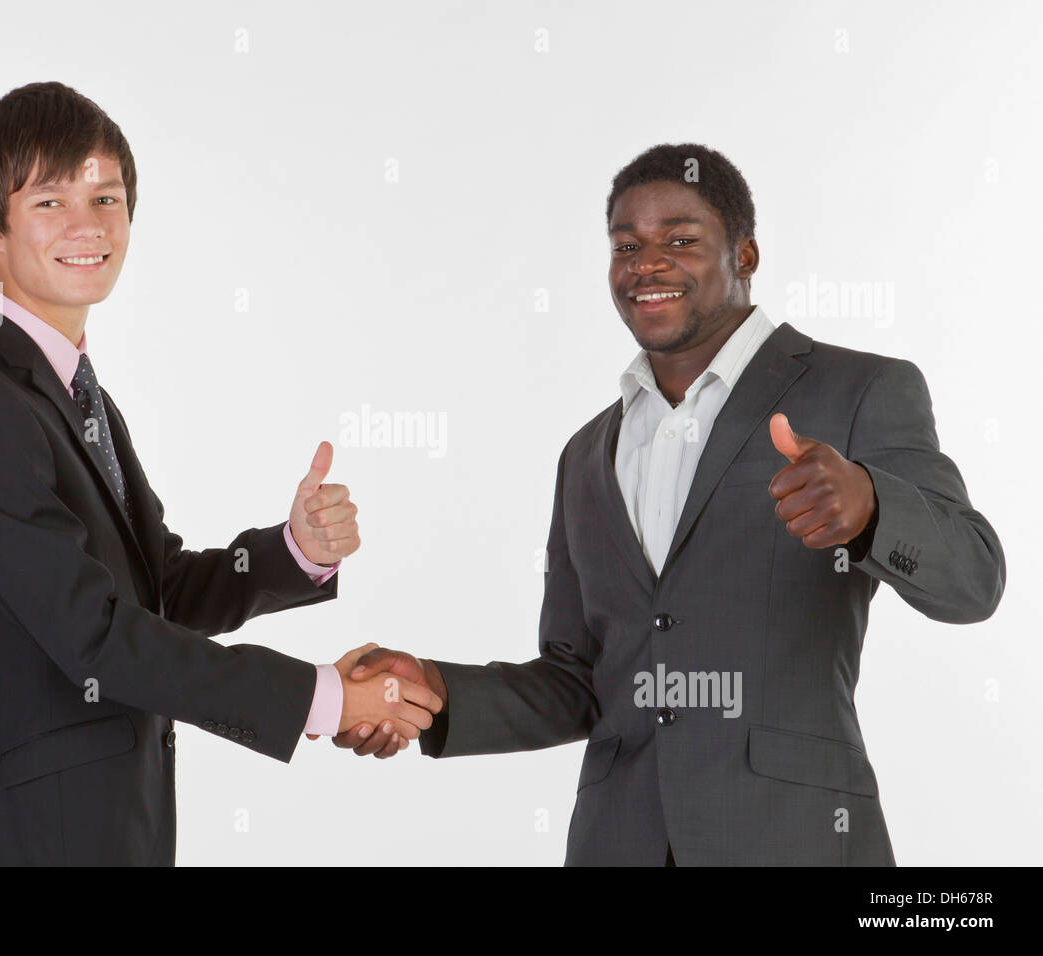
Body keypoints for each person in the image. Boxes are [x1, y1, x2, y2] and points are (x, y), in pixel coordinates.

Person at [334, 143, 1006, 866]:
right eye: (626, 247)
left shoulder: (858, 391)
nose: (645, 265)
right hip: (617, 841)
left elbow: (974, 581)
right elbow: (578, 681)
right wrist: (434, 690)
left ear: (745, 253)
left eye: (680, 240)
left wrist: (872, 508)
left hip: (794, 837)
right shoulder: (587, 453)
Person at [0, 81, 441, 865]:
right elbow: (100, 636)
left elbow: (156, 592)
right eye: (50, 202)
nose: (89, 225)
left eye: (107, 197)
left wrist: (297, 552)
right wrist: (324, 698)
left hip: (118, 832)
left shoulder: (75, 393)